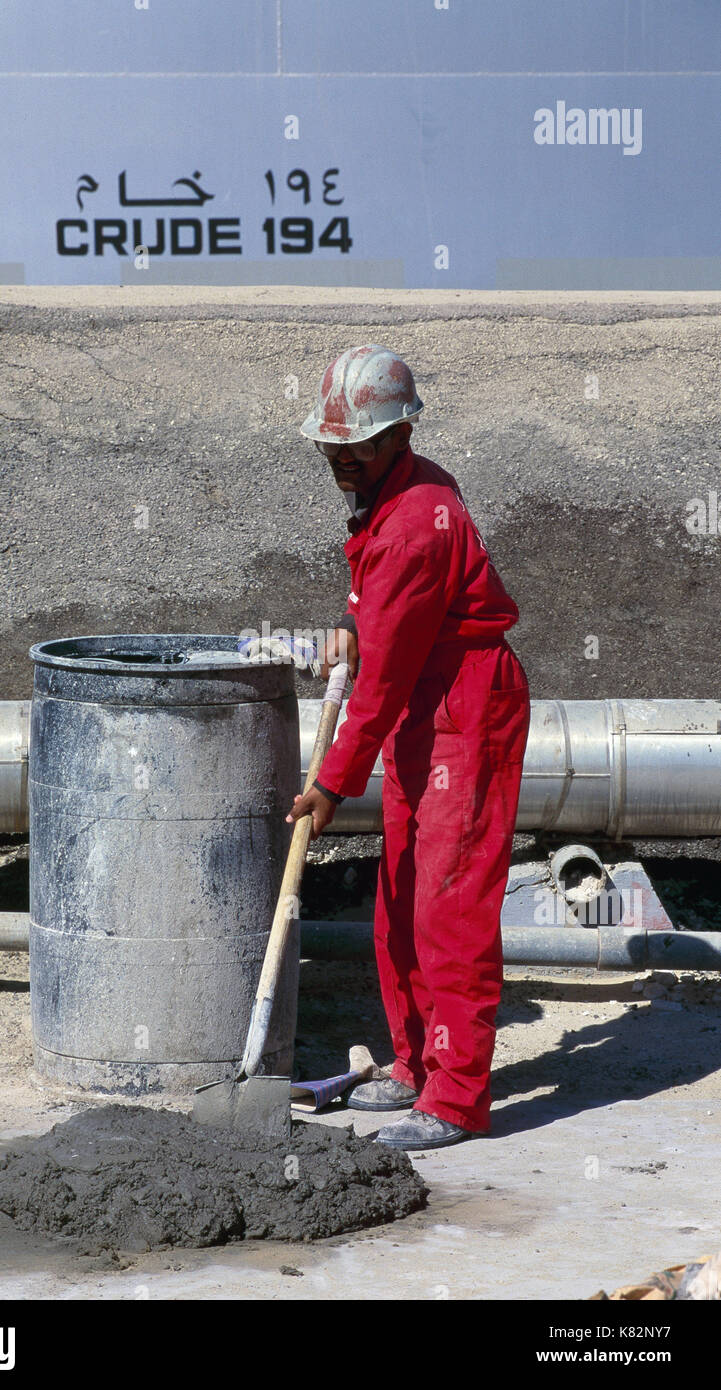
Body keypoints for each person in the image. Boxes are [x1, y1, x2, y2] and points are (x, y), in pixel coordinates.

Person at [286, 345, 530, 1151]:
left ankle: (456, 1099)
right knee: (399, 894)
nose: (339, 457)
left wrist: (329, 782)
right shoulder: (403, 492)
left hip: (465, 705)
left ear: (399, 435)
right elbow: (386, 622)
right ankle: (414, 1064)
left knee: (449, 905)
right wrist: (355, 620)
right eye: (331, 443)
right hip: (427, 703)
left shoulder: (418, 527)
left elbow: (382, 684)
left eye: (355, 442)